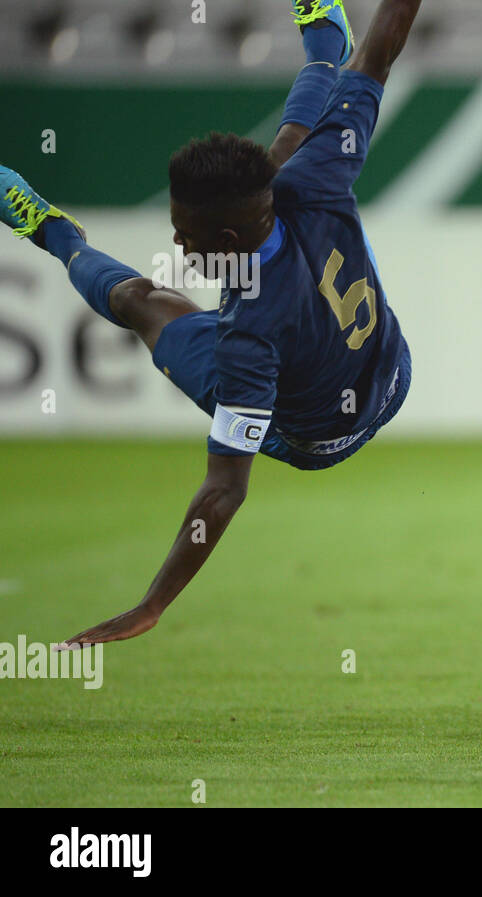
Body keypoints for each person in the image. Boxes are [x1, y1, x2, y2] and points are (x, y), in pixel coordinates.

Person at [0, 0, 423, 647]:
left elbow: (224, 490)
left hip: (316, 437)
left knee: (142, 302)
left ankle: (56, 234)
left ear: (225, 236)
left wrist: (150, 605)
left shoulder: (248, 335)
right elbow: (383, 49)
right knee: (285, 151)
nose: (181, 247)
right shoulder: (321, 167)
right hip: (393, 368)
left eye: (185, 235)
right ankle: (322, 52)